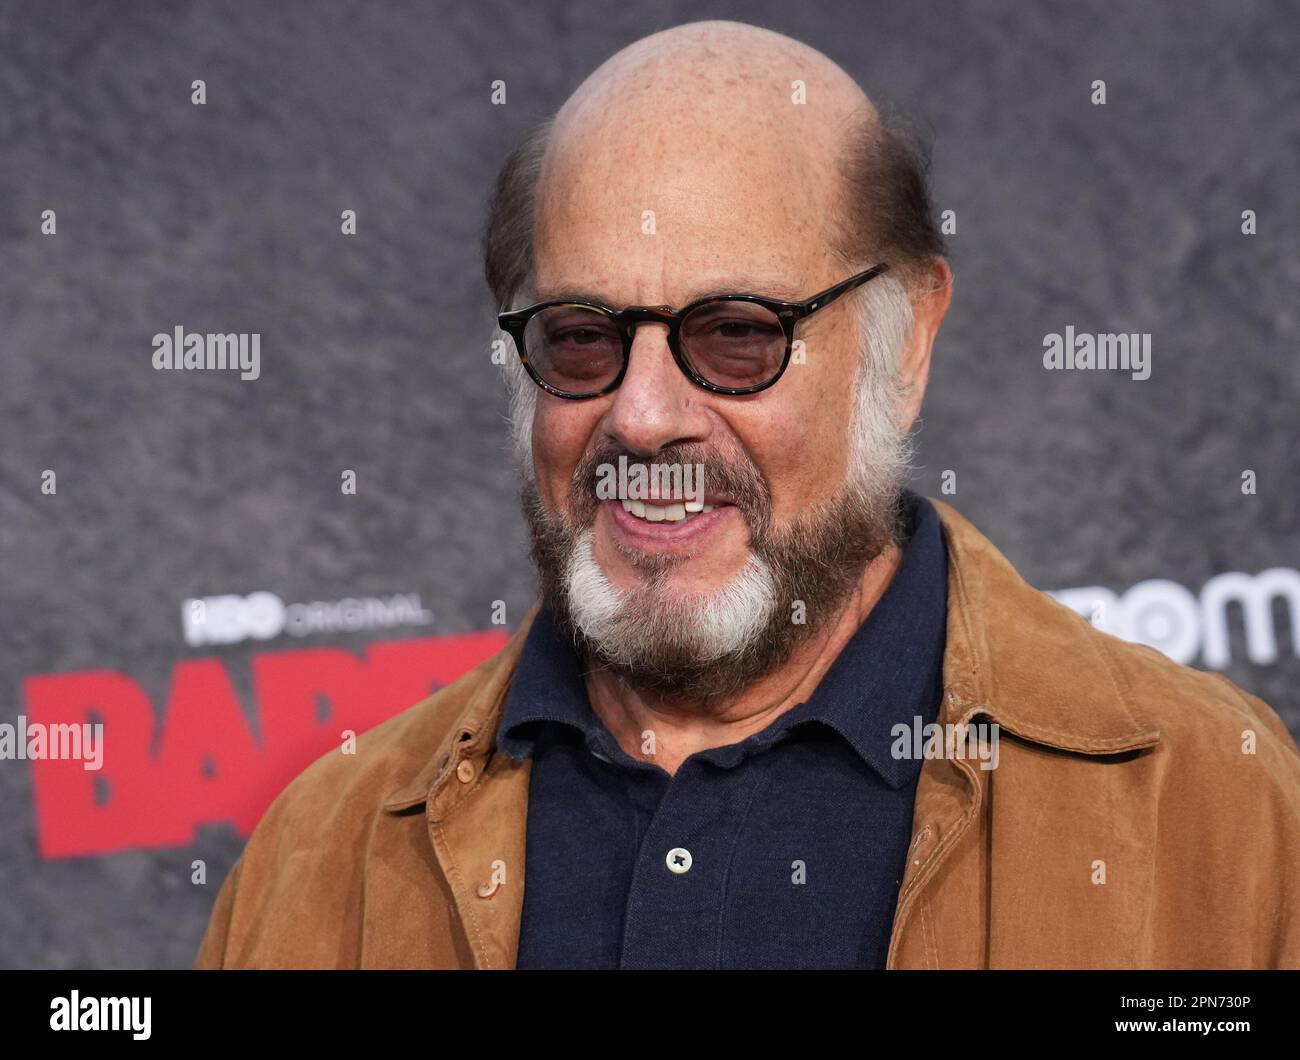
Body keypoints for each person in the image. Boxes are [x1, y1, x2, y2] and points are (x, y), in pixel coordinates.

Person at [195, 19, 1300, 969]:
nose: (639, 416)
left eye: (736, 335)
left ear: (905, 339)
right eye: (581, 339)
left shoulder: (1221, 818)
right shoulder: (317, 862)